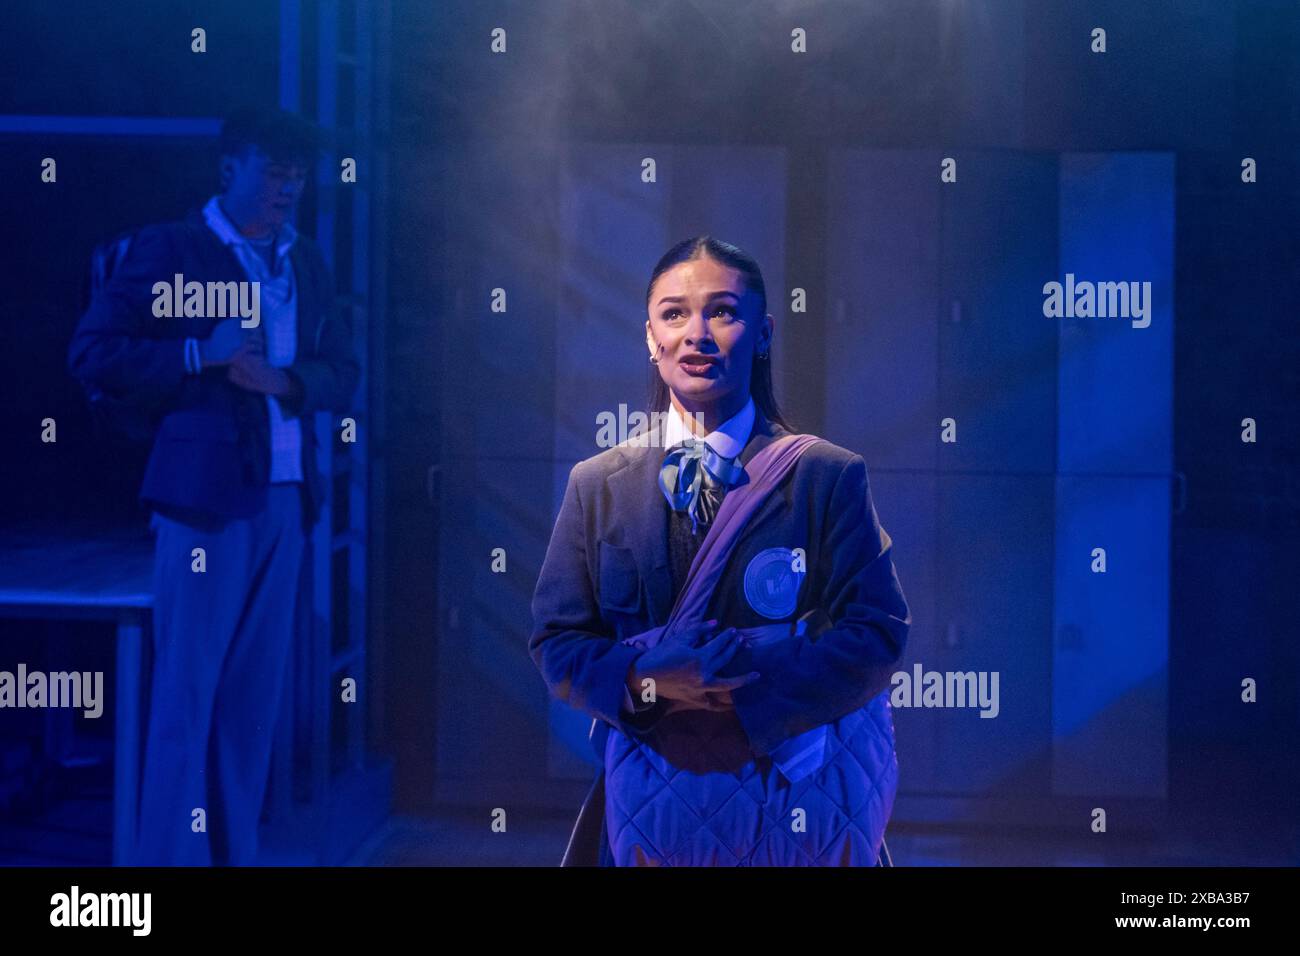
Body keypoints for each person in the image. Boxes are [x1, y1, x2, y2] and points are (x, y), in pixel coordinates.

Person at [529, 236, 911, 866]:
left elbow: (878, 633)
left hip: (793, 798)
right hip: (657, 804)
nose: (696, 333)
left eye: (723, 312)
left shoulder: (826, 477)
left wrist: (749, 696)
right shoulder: (596, 484)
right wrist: (650, 684)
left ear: (763, 334)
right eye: (674, 314)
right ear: (651, 338)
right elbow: (557, 642)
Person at [67, 107, 359, 865]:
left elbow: (345, 373)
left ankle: (233, 857)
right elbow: (94, 351)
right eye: (273, 171)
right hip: (204, 501)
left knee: (251, 707)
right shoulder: (173, 249)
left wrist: (288, 379)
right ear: (229, 169)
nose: (287, 187)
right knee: (185, 701)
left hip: (288, 499)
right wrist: (199, 350)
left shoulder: (306, 260)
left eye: (298, 174)